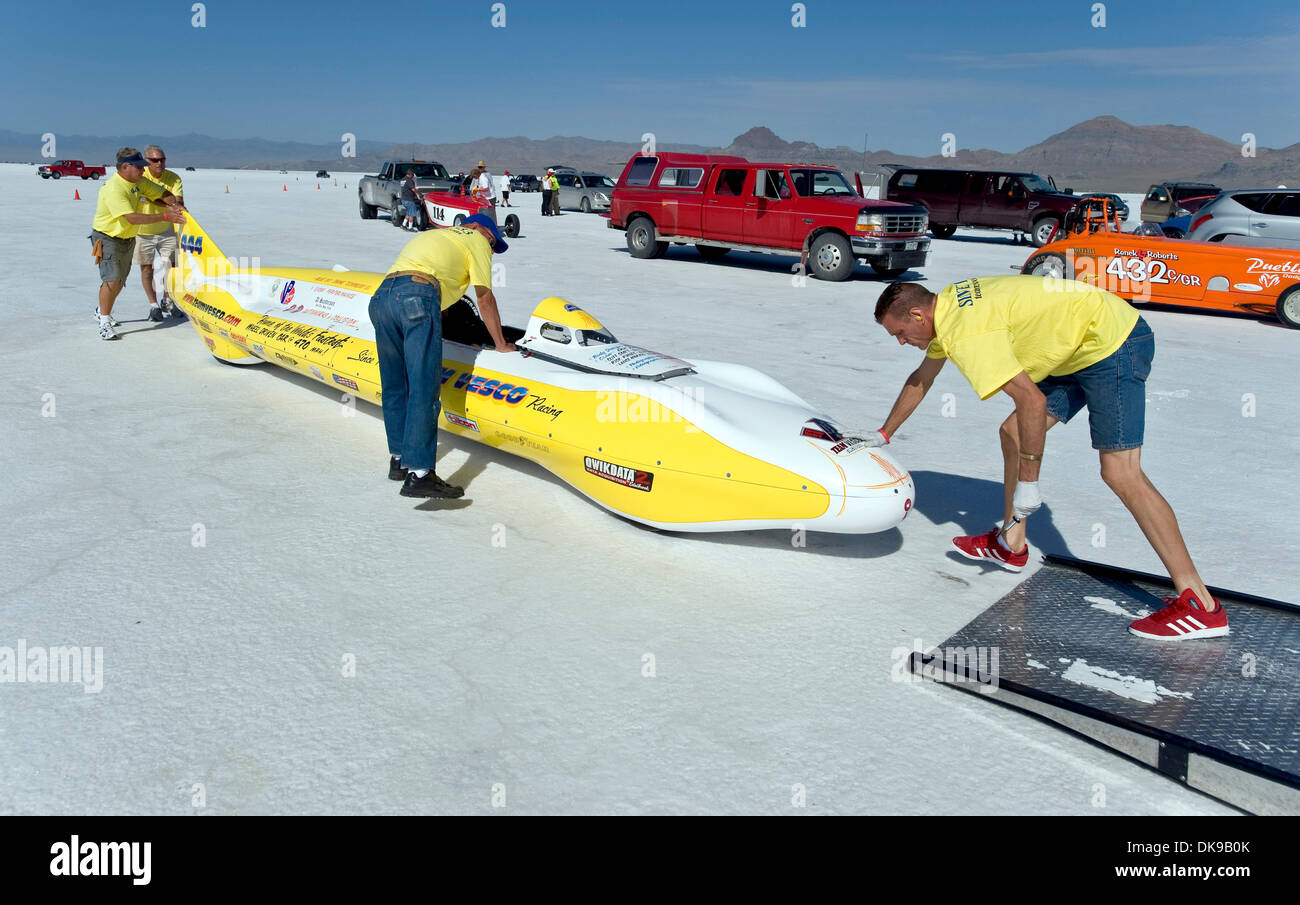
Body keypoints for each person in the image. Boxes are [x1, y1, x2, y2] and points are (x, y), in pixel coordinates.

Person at [869, 275, 1227, 641]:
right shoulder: (945, 309)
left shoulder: (965, 332)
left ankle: (1199, 604)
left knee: (1121, 472)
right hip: (1077, 344)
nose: (901, 342)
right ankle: (1012, 544)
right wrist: (884, 433)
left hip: (1113, 344)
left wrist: (1029, 485)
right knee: (1012, 433)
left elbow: (1032, 401)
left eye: (899, 333)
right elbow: (922, 377)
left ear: (916, 315)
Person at [370, 214, 516, 499]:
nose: (491, 247)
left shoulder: (437, 236)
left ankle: (399, 460)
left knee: (396, 386)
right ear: (476, 226)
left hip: (381, 300)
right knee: (423, 387)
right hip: (416, 296)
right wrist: (500, 343)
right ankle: (421, 474)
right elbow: (484, 296)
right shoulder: (474, 239)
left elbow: (440, 291)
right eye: (492, 240)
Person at [89, 148, 186, 340]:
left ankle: (102, 309)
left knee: (119, 281)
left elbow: (161, 193)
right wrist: (166, 215)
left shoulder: (139, 181)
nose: (144, 171)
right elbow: (132, 218)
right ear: (126, 167)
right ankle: (104, 322)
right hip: (108, 237)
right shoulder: (114, 189)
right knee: (111, 280)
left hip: (127, 238)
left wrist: (173, 203)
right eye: (140, 167)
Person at [135, 145, 184, 321]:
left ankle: (168, 300)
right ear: (146, 161)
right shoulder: (140, 177)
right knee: (147, 269)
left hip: (166, 230)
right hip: (142, 231)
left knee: (171, 268)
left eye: (162, 159)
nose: (159, 163)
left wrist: (151, 199)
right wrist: (165, 201)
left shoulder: (173, 178)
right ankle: (153, 305)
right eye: (155, 160)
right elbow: (169, 203)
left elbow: (177, 203)